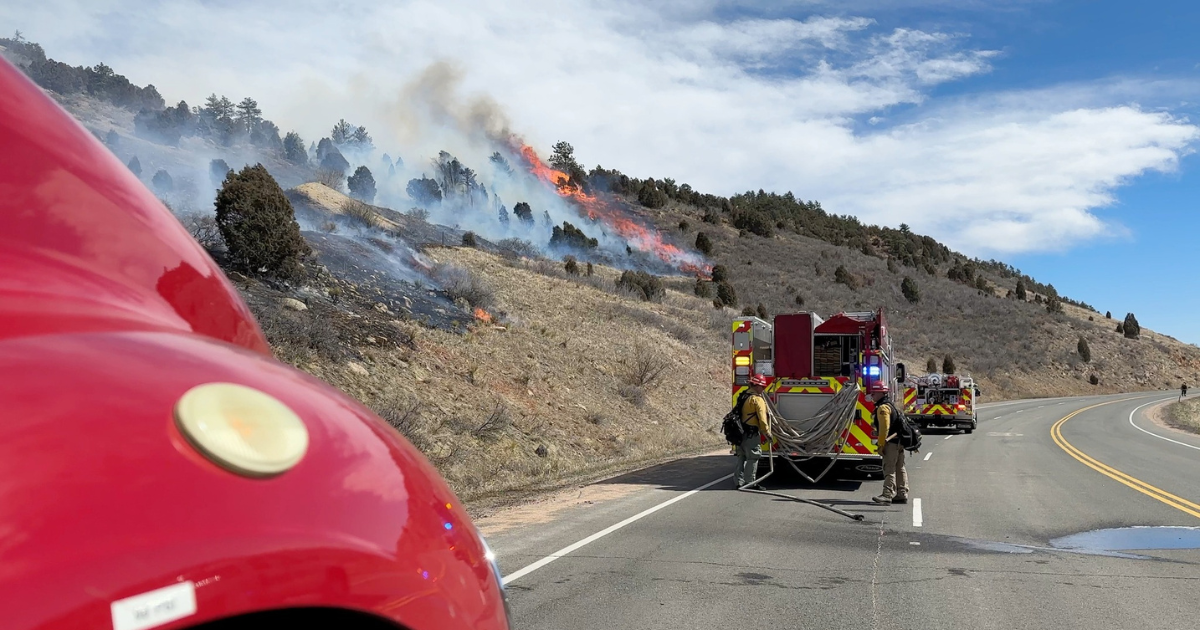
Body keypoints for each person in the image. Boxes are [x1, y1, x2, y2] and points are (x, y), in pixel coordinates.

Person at [871, 387, 909, 505]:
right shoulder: (891, 405)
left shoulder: (883, 408)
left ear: (881, 393)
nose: (872, 395)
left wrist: (881, 445)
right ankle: (902, 493)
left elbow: (884, 428)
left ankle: (887, 494)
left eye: (874, 393)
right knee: (900, 467)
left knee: (889, 468)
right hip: (899, 442)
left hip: (891, 443)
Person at [735, 374, 771, 489]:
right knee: (753, 457)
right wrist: (767, 433)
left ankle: (738, 482)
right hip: (751, 434)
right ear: (757, 386)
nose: (763, 389)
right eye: (763, 387)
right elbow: (762, 419)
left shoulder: (742, 396)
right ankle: (750, 482)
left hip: (739, 433)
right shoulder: (757, 399)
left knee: (741, 456)